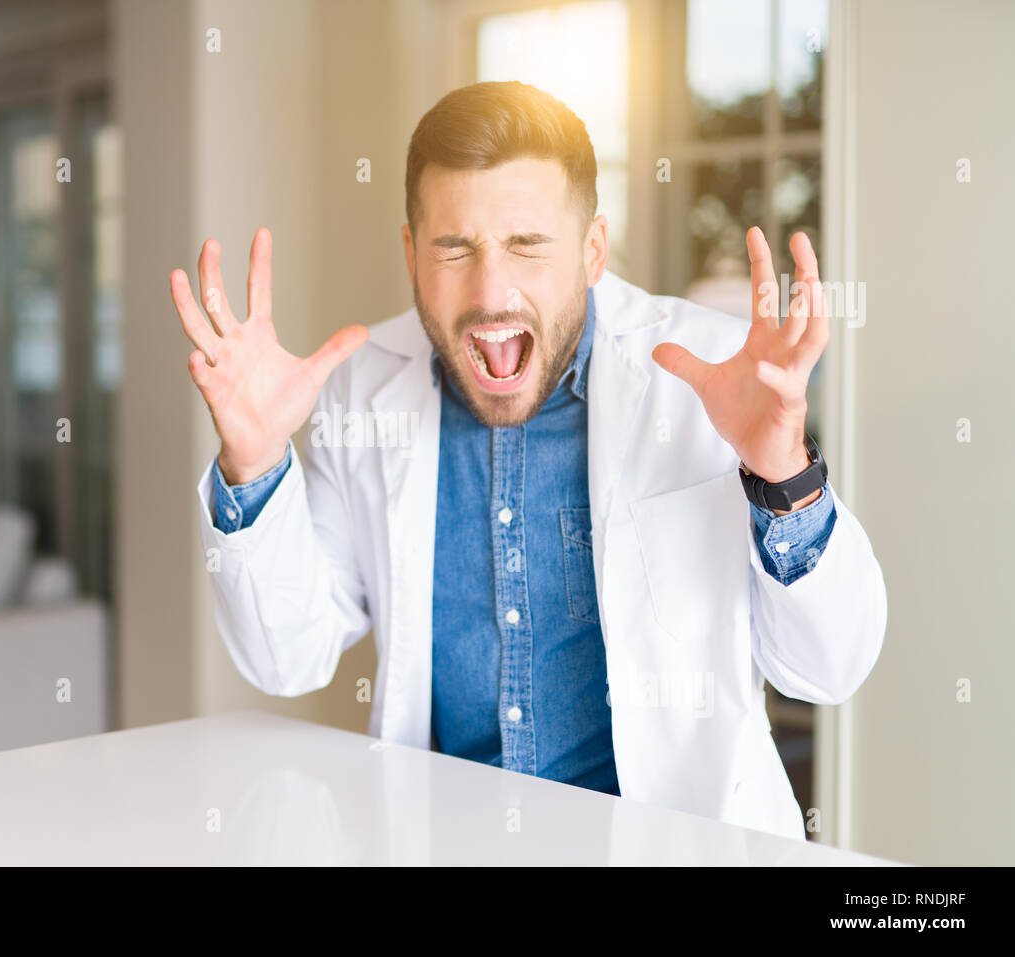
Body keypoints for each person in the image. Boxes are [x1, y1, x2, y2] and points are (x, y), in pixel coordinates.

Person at [169, 81, 886, 841]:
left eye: (527, 245)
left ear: (593, 251)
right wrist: (252, 460)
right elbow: (289, 655)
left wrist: (784, 473)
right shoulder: (364, 385)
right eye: (454, 247)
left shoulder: (709, 373)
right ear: (412, 252)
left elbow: (830, 667)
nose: (490, 291)